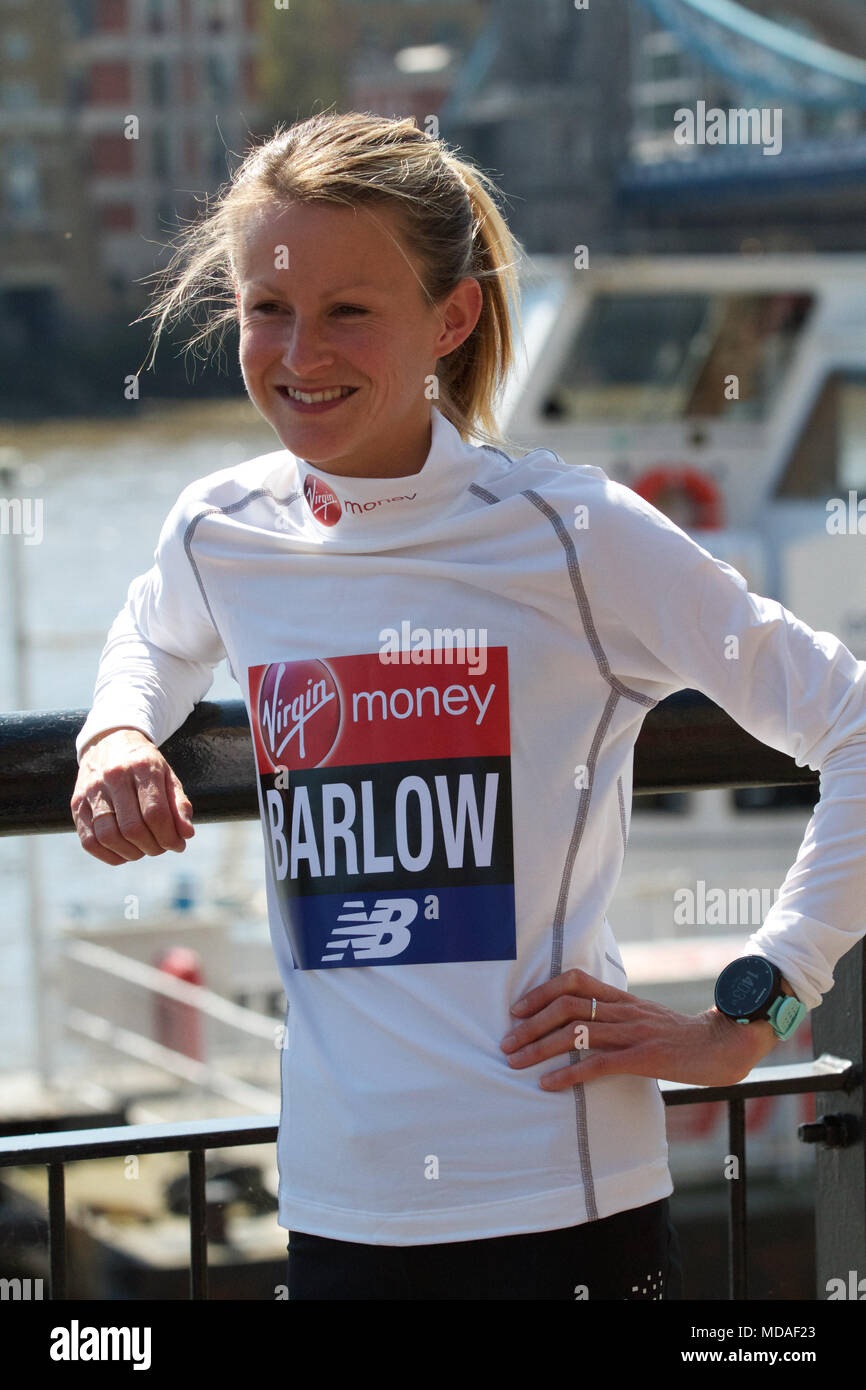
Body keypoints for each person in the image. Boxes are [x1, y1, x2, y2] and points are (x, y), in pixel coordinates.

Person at [71, 110, 866, 1301]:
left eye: (349, 309)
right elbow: (152, 634)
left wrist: (755, 1007)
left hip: (561, 1209)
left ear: (450, 319)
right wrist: (117, 731)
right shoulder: (221, 529)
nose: (299, 352)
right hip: (336, 1209)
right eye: (267, 308)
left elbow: (850, 720)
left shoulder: (571, 532)